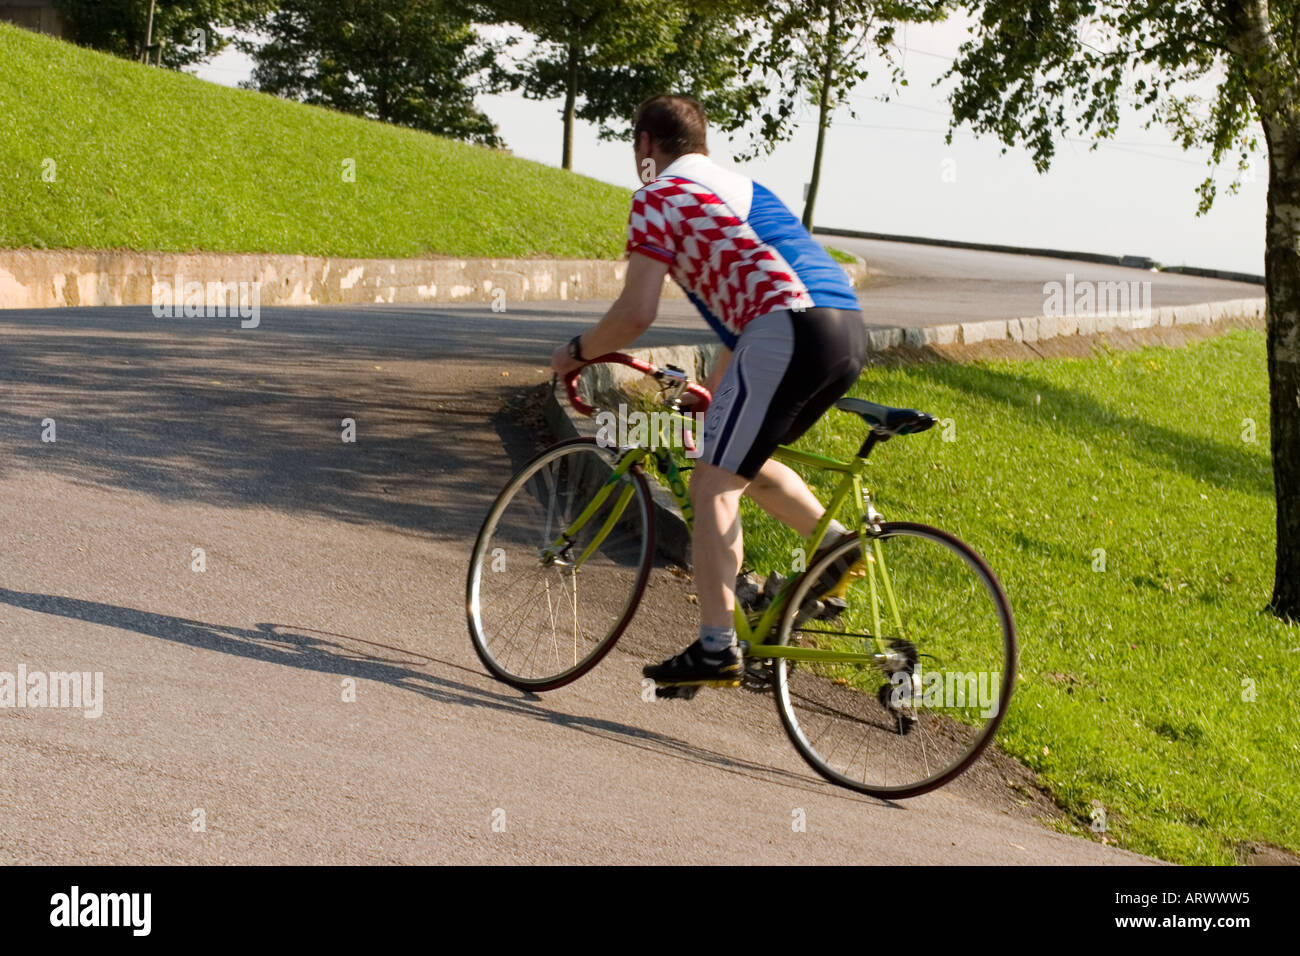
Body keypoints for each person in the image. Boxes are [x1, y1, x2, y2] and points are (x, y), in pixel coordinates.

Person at [550, 94, 867, 687]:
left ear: (645, 144)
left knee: (711, 483)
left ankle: (716, 648)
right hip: (842, 330)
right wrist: (716, 393)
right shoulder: (743, 188)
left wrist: (578, 351)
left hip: (786, 329)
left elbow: (635, 312)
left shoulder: (658, 196)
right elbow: (757, 289)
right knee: (741, 461)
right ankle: (836, 547)